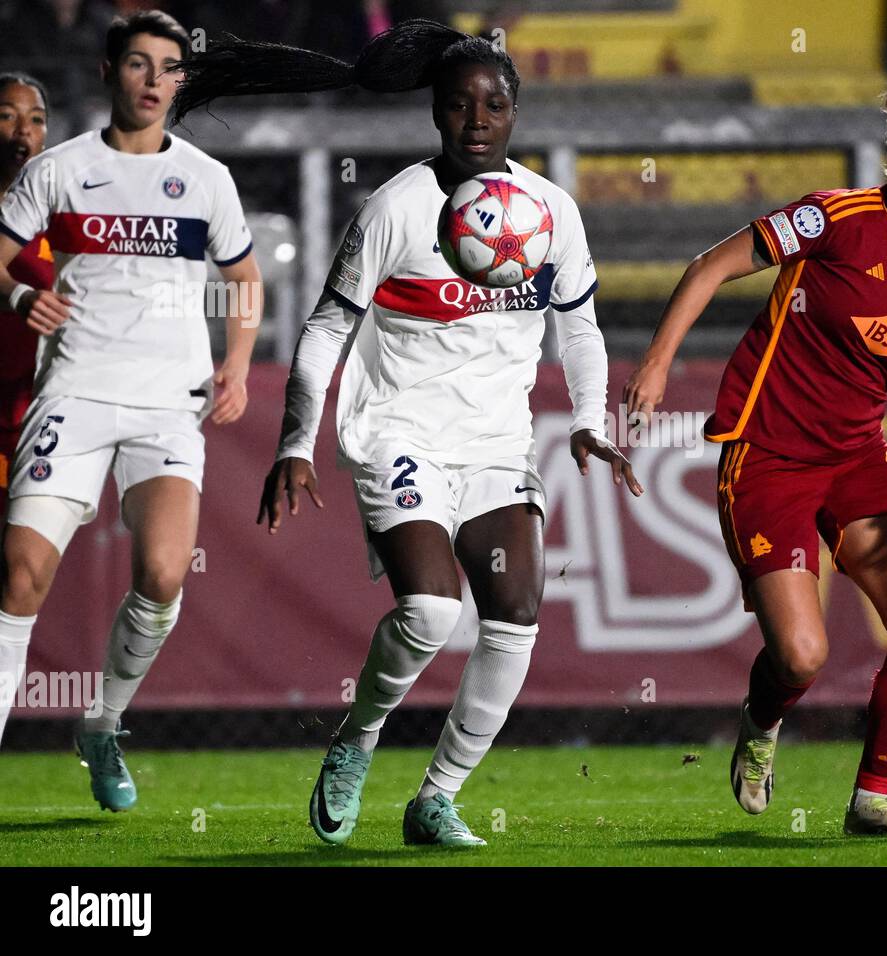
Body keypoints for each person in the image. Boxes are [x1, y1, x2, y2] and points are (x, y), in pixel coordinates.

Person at [172, 19, 639, 848]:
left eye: (493, 103)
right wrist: (293, 441)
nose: (477, 120)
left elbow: (581, 332)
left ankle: (437, 798)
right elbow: (323, 329)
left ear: (516, 111)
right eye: (459, 105)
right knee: (428, 609)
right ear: (435, 114)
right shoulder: (398, 207)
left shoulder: (550, 214)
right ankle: (356, 739)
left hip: (496, 443)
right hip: (399, 430)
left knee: (516, 611)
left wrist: (590, 422)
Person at [625, 75, 887, 836]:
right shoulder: (835, 217)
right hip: (767, 455)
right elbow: (711, 266)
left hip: (857, 459)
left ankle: (872, 798)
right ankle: (763, 719)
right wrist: (659, 362)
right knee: (801, 657)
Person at [0, 10, 263, 811]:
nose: (154, 81)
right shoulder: (60, 170)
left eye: (169, 68)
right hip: (75, 394)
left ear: (182, 83)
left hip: (166, 405)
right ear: (113, 71)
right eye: (140, 64)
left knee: (161, 572)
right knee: (18, 578)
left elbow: (243, 274)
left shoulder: (208, 178)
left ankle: (102, 723)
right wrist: (19, 294)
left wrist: (239, 364)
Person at [0, 73, 54, 510]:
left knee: (22, 564)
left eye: (35, 120)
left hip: (35, 415)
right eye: (7, 116)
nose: (23, 130)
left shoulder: (61, 216)